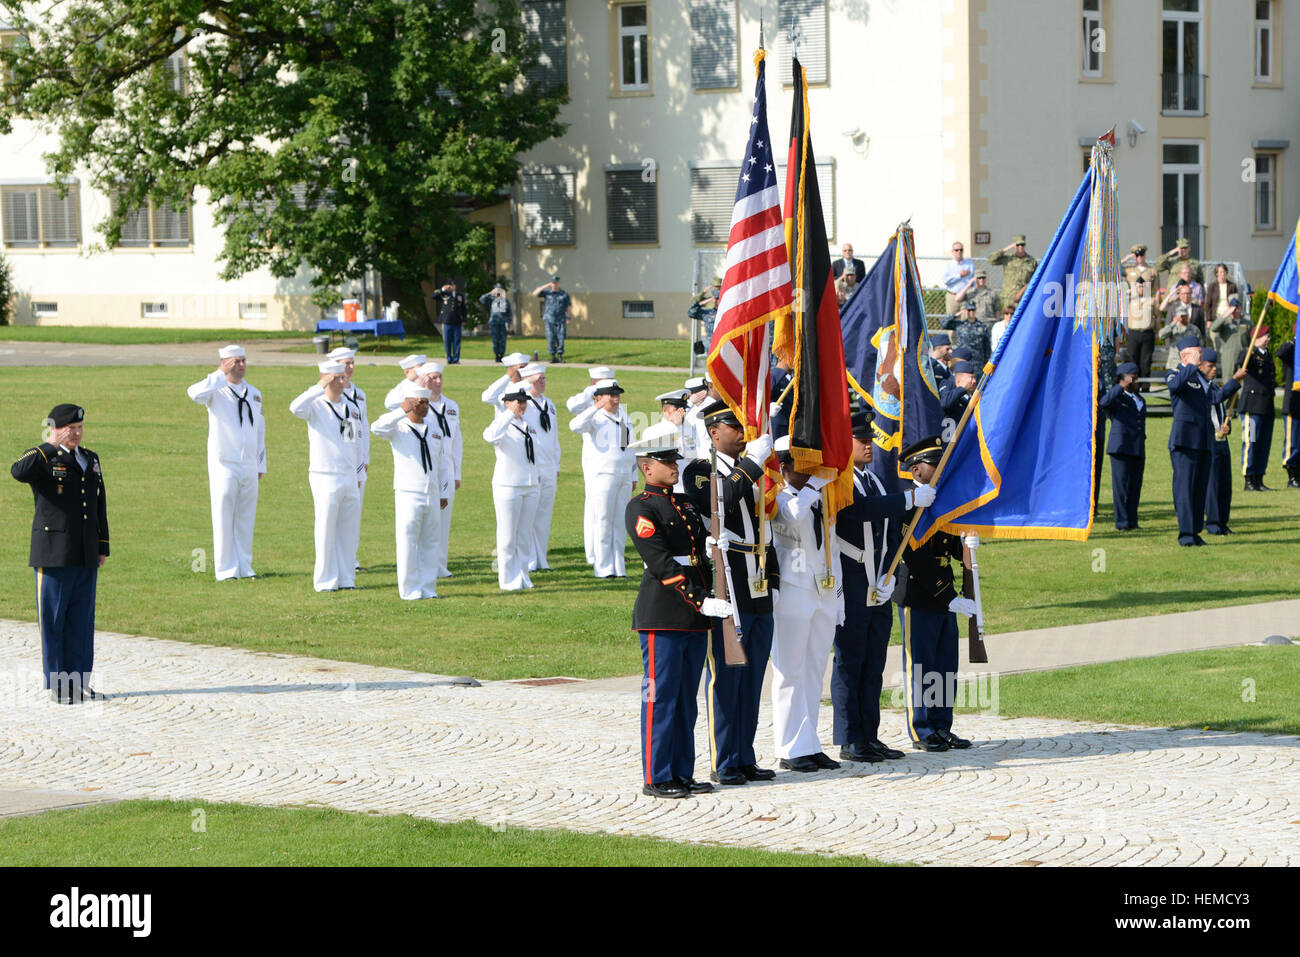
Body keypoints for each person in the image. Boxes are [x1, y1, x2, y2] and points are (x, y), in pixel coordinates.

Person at [626, 438, 732, 799]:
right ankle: (657, 776)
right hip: (664, 614)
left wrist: (712, 546)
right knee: (661, 699)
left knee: (687, 699)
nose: (674, 466)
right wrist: (700, 600)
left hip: (693, 617)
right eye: (665, 461)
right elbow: (663, 566)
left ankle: (682, 772)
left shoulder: (684, 503)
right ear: (647, 468)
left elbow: (698, 548)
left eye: (675, 460)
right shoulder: (641, 508)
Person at [682, 400, 778, 786]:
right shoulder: (699, 471)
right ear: (713, 432)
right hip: (728, 582)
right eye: (732, 426)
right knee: (727, 675)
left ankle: (744, 754)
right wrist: (752, 465)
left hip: (758, 582)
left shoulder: (751, 474)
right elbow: (718, 500)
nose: (742, 433)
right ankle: (724, 759)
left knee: (752, 676)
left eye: (744, 426)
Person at [833, 410, 928, 762]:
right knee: (850, 661)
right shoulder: (840, 481)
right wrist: (907, 499)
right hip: (852, 580)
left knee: (874, 662)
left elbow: (886, 531)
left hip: (876, 581)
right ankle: (849, 737)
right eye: (861, 441)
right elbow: (860, 511)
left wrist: (890, 574)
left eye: (870, 440)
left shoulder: (871, 479)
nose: (869, 446)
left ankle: (869, 735)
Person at [11, 404, 109, 703]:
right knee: (53, 620)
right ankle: (57, 686)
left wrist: (102, 545)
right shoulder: (43, 458)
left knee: (81, 620)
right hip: (53, 553)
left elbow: (98, 503)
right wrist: (49, 444)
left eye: (79, 428)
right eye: (70, 429)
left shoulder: (90, 458)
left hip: (84, 553)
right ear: (56, 429)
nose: (76, 434)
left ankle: (79, 683)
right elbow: (18, 471)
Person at [768, 434, 843, 772]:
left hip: (822, 590)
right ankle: (789, 746)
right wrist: (814, 487)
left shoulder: (819, 497)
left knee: (814, 669)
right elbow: (792, 518)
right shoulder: (776, 495)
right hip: (792, 589)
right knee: (790, 670)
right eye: (804, 463)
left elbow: (833, 545)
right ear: (784, 465)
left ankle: (809, 742)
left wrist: (838, 597)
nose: (813, 469)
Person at [897, 436, 976, 751]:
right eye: (935, 463)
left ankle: (942, 725)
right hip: (920, 595)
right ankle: (922, 727)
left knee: (945, 665)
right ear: (916, 469)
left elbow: (948, 545)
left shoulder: (941, 502)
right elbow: (914, 557)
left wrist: (965, 545)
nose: (940, 469)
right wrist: (949, 597)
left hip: (945, 595)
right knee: (922, 665)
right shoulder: (910, 505)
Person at [186, 344, 266, 580]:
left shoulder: (254, 392)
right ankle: (226, 569)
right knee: (223, 513)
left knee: (246, 515)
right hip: (224, 461)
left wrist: (261, 463)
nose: (240, 366)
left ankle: (245, 566)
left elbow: (259, 429)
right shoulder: (215, 390)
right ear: (225, 363)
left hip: (249, 462)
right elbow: (194, 393)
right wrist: (219, 374)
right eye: (235, 362)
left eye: (243, 361)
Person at [370, 382, 451, 599]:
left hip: (432, 492)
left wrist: (443, 492)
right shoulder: (398, 429)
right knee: (408, 542)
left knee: (431, 542)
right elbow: (376, 427)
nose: (425, 407)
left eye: (426, 402)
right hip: (408, 492)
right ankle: (410, 590)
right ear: (410, 405)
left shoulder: (434, 430)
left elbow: (442, 463)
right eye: (420, 403)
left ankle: (428, 588)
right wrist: (401, 410)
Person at [290, 361, 363, 590]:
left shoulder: (350, 407)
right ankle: (325, 580)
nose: (343, 382)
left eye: (343, 378)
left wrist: (356, 470)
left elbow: (352, 440)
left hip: (348, 473)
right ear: (328, 379)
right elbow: (295, 408)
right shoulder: (316, 405)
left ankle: (346, 577)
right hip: (325, 473)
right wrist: (319, 385)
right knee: (326, 527)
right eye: (338, 378)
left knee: (348, 529)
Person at [1165, 337, 1244, 546]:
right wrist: (1189, 366)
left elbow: (1216, 398)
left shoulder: (1201, 378)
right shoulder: (1176, 374)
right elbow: (1174, 386)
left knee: (1199, 489)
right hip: (1185, 442)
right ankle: (1186, 534)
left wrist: (1235, 381)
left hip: (1204, 441)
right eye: (1197, 352)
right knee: (1186, 489)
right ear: (1185, 355)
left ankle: (1195, 531)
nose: (1201, 355)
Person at [569, 378, 637, 578]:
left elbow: (630, 447)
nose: (615, 400)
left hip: (623, 475)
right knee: (603, 521)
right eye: (610, 396)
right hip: (603, 475)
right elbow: (574, 425)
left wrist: (633, 474)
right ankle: (604, 567)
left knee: (619, 522)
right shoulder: (594, 417)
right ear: (599, 397)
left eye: (617, 395)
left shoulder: (624, 416)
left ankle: (618, 565)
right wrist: (595, 406)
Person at [483, 383, 540, 591]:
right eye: (518, 401)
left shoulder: (528, 423)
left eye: (524, 402)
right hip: (508, 485)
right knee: (507, 536)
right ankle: (507, 579)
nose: (522, 406)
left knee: (524, 536)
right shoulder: (502, 423)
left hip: (530, 484)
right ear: (508, 403)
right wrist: (508, 413)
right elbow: (489, 436)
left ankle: (523, 575)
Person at [415, 361, 463, 578]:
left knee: (444, 517)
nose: (438, 381)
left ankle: (440, 564)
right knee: (427, 518)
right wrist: (419, 388)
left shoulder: (451, 406)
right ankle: (423, 563)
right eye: (433, 378)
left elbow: (456, 441)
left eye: (440, 377)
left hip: (447, 468)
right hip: (427, 467)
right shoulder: (420, 405)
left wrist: (457, 473)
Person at [328, 346, 369, 572]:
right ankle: (335, 557)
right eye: (346, 363)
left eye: (352, 363)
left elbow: (363, 427)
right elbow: (345, 432)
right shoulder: (335, 393)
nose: (351, 367)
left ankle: (350, 557)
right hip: (339, 459)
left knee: (354, 511)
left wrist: (364, 459)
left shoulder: (359, 394)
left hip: (357, 457)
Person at [519, 363, 561, 571]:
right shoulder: (522, 403)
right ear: (527, 380)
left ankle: (541, 558)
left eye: (544, 378)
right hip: (531, 465)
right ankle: (528, 559)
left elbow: (554, 438)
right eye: (538, 379)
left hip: (549, 465)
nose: (542, 382)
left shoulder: (550, 404)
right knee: (529, 516)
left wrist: (557, 464)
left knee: (544, 515)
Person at [1098, 362, 1147, 531]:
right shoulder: (1116, 398)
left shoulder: (1140, 399)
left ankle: (1133, 521)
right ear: (1123, 380)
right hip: (1120, 447)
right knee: (1121, 487)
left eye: (1136, 378)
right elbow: (1103, 403)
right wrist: (1120, 387)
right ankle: (1122, 522)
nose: (1136, 382)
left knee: (1135, 486)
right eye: (1133, 378)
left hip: (1137, 447)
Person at [1200, 349, 1235, 535]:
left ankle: (1223, 521)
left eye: (1215, 366)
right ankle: (1213, 523)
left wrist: (1226, 427)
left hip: (1222, 441)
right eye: (1210, 366)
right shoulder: (1200, 386)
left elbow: (1219, 411)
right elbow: (1214, 400)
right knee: (1212, 485)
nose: (1214, 370)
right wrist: (1235, 381)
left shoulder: (1213, 385)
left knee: (1224, 485)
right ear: (1200, 366)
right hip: (1209, 441)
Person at [1239, 328, 1277, 491]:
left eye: (1268, 336)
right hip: (1252, 406)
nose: (1267, 339)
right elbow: (1242, 361)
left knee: (1264, 443)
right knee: (1251, 441)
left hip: (1266, 406)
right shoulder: (1249, 353)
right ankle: (1249, 478)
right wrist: (1252, 348)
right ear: (1256, 338)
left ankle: (1259, 477)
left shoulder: (1268, 355)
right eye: (1264, 336)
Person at [987, 234, 1038, 307]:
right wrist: (1005, 249)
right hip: (1009, 297)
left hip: (1024, 297)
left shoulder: (1031, 261)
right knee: (1009, 317)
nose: (1020, 247)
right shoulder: (1008, 258)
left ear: (1025, 245)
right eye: (1018, 245)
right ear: (1014, 246)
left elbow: (1035, 278)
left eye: (1022, 244)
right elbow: (990, 259)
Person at [942, 299, 992, 370]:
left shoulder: (982, 326)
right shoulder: (960, 325)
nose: (971, 312)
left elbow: (987, 346)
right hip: (962, 360)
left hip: (977, 362)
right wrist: (956, 315)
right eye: (969, 310)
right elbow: (943, 324)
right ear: (966, 311)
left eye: (973, 310)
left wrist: (986, 361)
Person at [532, 274, 572, 363]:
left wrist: (568, 317)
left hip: (561, 319)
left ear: (559, 283)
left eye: (556, 283)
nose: (555, 284)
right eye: (553, 283)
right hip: (549, 319)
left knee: (561, 338)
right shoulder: (547, 293)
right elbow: (535, 293)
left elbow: (568, 307)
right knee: (551, 337)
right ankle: (553, 356)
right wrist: (546, 285)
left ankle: (560, 356)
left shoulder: (564, 294)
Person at [1277, 338, 1299, 488]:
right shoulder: (1292, 351)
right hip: (1293, 404)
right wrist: (1295, 340)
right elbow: (1281, 352)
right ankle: (1292, 475)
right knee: (1293, 442)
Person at [478, 282, 514, 362]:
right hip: (494, 323)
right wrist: (489, 293)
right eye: (497, 290)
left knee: (503, 340)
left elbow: (509, 313)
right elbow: (481, 299)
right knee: (495, 340)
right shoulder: (491, 300)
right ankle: (496, 355)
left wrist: (510, 323)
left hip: (503, 323)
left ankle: (501, 355)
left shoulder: (506, 301)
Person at [1159, 304, 1202, 369]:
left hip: (1190, 362)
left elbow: (1200, 345)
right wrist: (1173, 323)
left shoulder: (1194, 329)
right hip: (1175, 362)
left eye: (1184, 316)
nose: (1182, 318)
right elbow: (1161, 335)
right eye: (1180, 316)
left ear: (1188, 316)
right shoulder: (1173, 328)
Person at [434, 281, 467, 364]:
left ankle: (456, 359)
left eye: (452, 285)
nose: (450, 287)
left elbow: (463, 309)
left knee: (457, 341)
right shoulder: (444, 294)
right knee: (447, 341)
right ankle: (449, 358)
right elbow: (434, 296)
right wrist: (442, 289)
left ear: (455, 286)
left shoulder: (460, 296)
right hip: (447, 321)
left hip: (457, 321)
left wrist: (464, 319)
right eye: (449, 286)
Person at [680, 376, 712, 462]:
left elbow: (680, 425)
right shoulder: (695, 408)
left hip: (705, 458)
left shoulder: (702, 407)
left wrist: (689, 403)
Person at [939, 240, 974, 315]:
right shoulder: (948, 265)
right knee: (952, 320)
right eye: (956, 250)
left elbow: (973, 281)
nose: (959, 252)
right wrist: (959, 276)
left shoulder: (970, 264)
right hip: (952, 296)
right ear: (952, 252)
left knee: (965, 320)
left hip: (966, 297)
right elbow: (946, 281)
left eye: (961, 250)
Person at [688, 276, 721, 347]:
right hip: (710, 335)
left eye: (719, 287)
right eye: (715, 287)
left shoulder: (725, 297)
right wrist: (704, 292)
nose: (717, 290)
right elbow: (694, 301)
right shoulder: (709, 298)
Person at [769, 356, 794, 441]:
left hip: (790, 428)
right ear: (781, 357)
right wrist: (768, 408)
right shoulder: (773, 376)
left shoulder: (792, 379)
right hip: (777, 429)